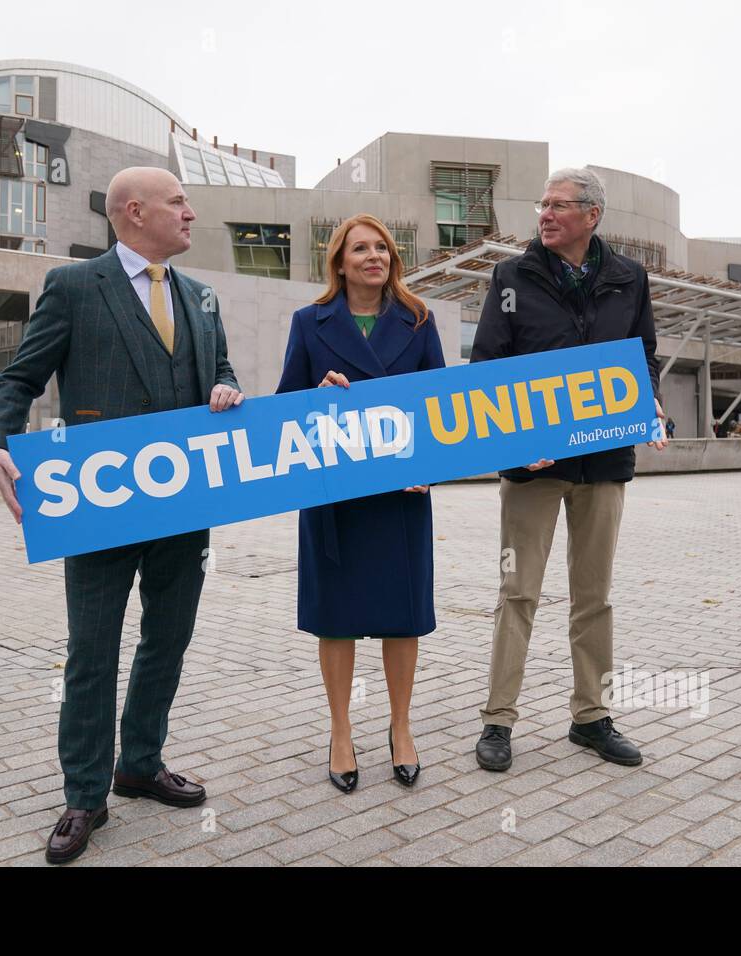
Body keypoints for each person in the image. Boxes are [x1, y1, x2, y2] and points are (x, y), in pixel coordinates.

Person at [0, 167, 244, 864]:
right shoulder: (73, 287)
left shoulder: (201, 295)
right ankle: (85, 796)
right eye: (179, 202)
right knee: (91, 653)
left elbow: (223, 370)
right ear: (134, 211)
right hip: (98, 503)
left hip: (187, 505)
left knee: (168, 638)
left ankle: (140, 763)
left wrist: (225, 387)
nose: (191, 212)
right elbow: (19, 379)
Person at [470, 167, 665, 772]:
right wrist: (511, 444)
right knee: (518, 592)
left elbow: (644, 356)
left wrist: (648, 398)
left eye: (559, 206)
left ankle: (592, 718)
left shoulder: (629, 278)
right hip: (533, 466)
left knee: (594, 597)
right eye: (542, 203)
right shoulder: (511, 275)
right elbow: (487, 367)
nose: (545, 215)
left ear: (592, 216)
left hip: (604, 463)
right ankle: (498, 721)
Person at [275, 214, 445, 792]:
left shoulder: (419, 321)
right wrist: (316, 398)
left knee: (403, 617)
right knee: (338, 618)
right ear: (340, 262)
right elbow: (284, 408)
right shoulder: (309, 322)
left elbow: (440, 410)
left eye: (382, 248)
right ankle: (341, 730)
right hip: (335, 498)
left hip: (400, 498)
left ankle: (401, 728)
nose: (373, 256)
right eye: (360, 249)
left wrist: (429, 470)